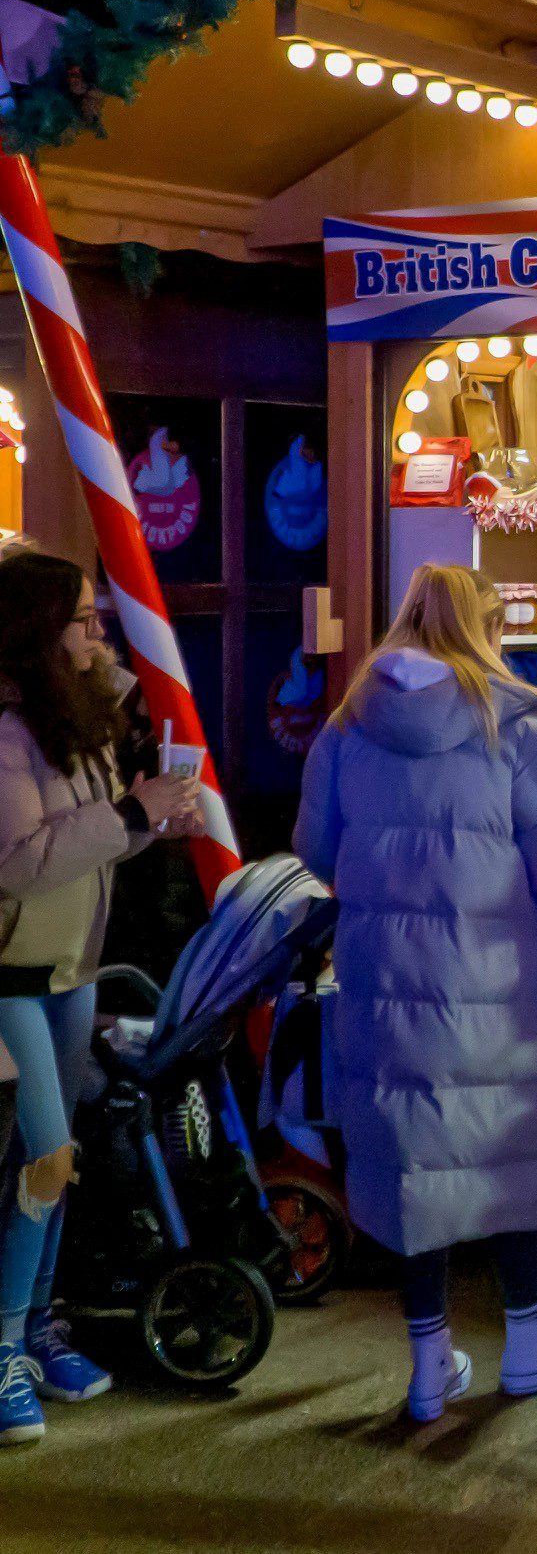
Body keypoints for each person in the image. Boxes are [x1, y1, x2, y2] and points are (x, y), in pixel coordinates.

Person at [293, 563, 537, 1423]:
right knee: (511, 1147)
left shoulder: (346, 724)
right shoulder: (517, 726)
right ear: (485, 630)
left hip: (385, 984)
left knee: (415, 1164)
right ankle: (528, 1340)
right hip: (502, 986)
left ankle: (430, 1365)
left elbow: (316, 850)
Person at [0, 551, 201, 1446]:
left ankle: (37, 1326)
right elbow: (19, 862)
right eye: (83, 619)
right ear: (38, 630)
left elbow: (84, 847)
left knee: (62, 1163)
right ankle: (3, 1348)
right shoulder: (9, 732)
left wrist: (151, 815)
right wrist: (127, 816)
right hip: (13, 975)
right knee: (42, 1164)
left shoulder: (70, 719)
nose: (99, 633)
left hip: (70, 970)